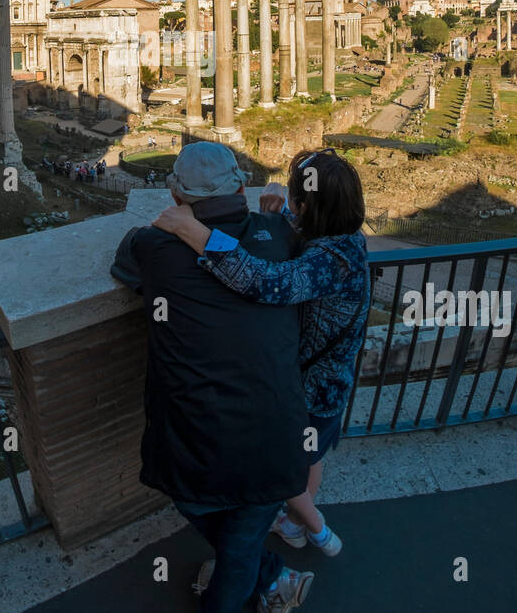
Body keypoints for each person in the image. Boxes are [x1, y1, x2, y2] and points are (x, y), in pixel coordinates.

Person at [111, 142, 314, 613]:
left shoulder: (154, 246)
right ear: (240, 185)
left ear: (175, 192)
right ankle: (267, 575)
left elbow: (126, 263)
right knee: (245, 526)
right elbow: (262, 256)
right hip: (275, 434)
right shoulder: (279, 237)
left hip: (190, 442)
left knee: (219, 521)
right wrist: (271, 220)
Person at [154, 149, 370, 556]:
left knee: (288, 466)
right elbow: (305, 242)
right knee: (311, 455)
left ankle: (317, 530)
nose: (289, 203)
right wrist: (285, 216)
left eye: (295, 200)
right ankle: (294, 524)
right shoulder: (345, 239)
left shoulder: (332, 261)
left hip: (312, 391)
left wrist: (195, 234)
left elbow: (266, 282)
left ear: (308, 205)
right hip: (330, 384)